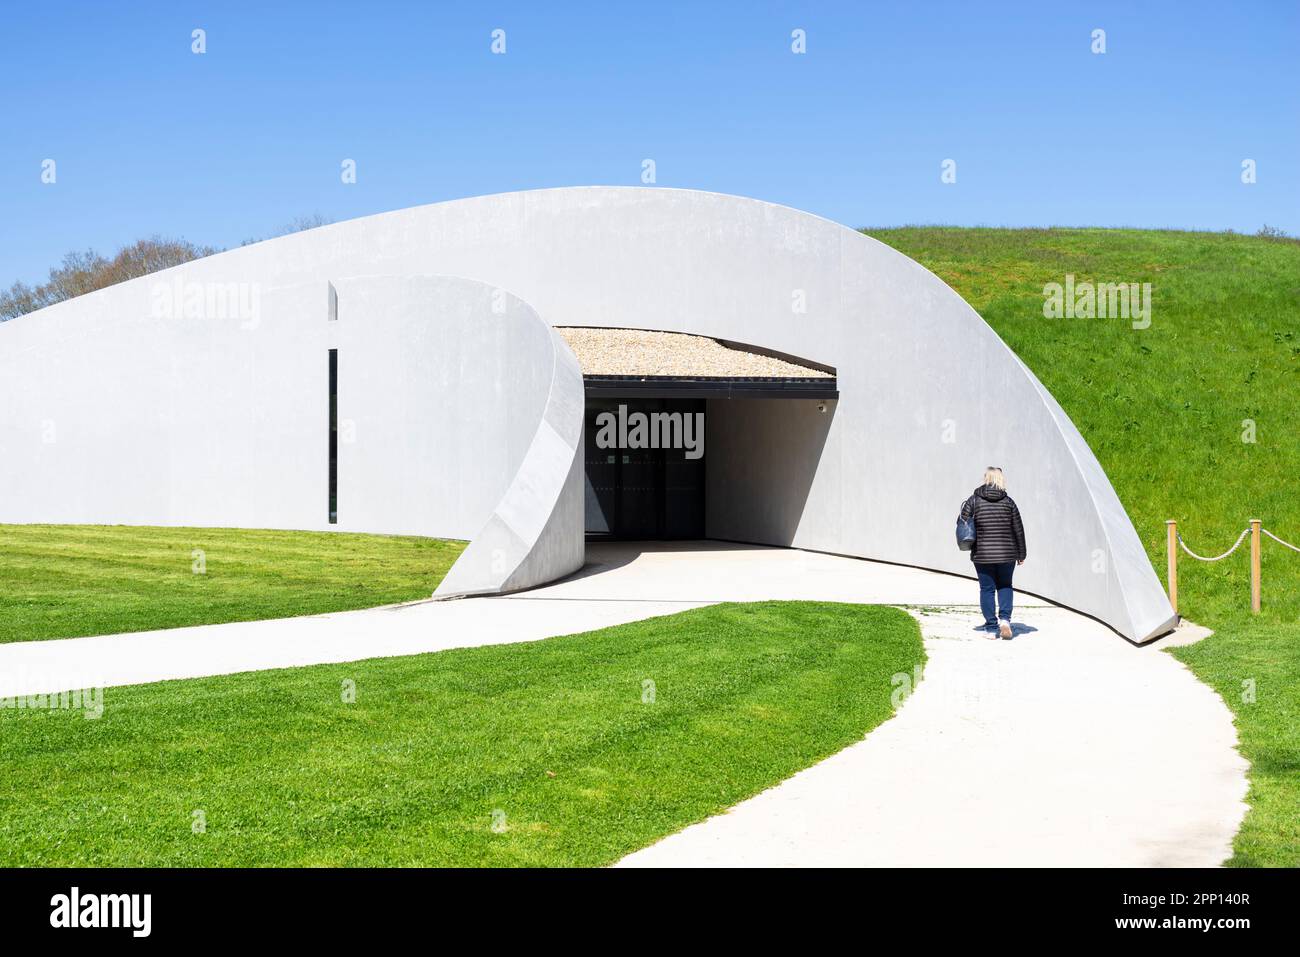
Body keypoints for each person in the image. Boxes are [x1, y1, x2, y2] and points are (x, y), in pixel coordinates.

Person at [960, 467, 1027, 639]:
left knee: (987, 589)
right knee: (1005, 585)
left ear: (986, 479)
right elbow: (1018, 530)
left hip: (983, 554)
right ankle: (1005, 620)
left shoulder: (974, 500)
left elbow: (962, 522)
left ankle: (991, 628)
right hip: (1007, 554)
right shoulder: (1009, 502)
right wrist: (1022, 554)